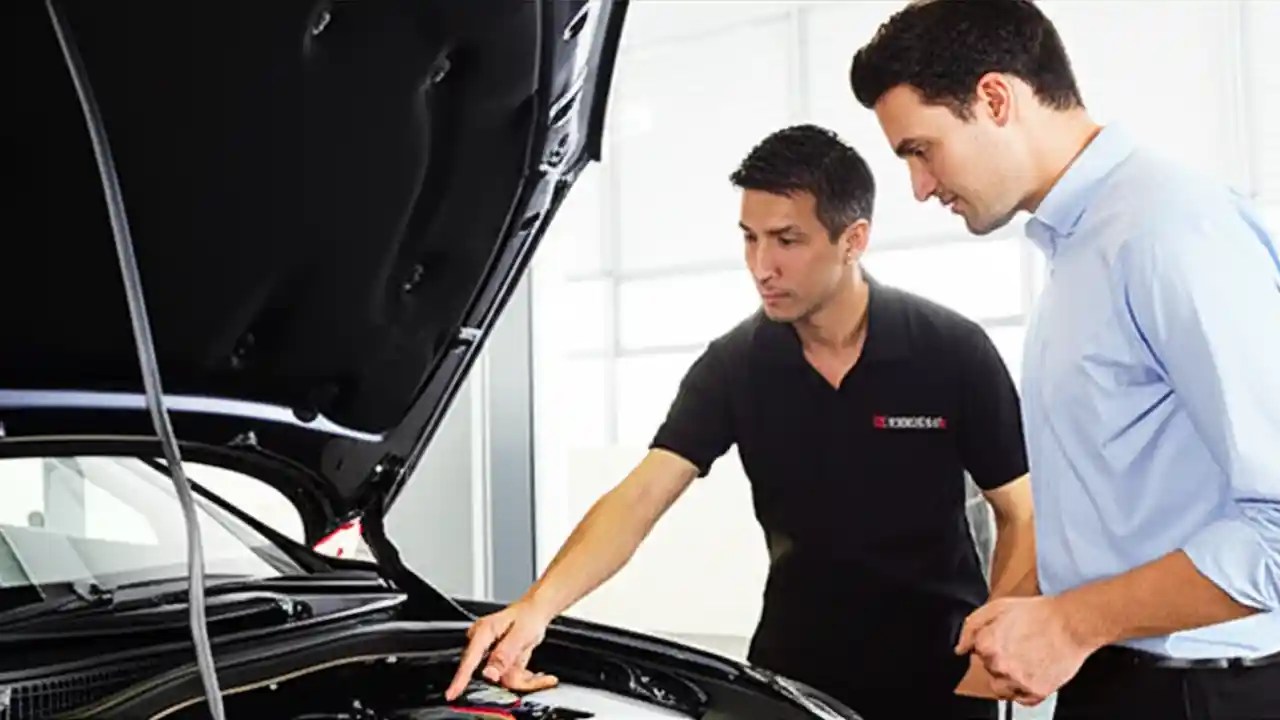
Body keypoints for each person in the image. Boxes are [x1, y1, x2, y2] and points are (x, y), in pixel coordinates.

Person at [444, 124, 1037, 720]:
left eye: (787, 240)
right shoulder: (735, 364)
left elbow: (1021, 513)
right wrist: (539, 606)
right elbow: (642, 495)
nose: (761, 266)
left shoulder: (952, 351)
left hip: (940, 680)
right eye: (749, 239)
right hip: (793, 681)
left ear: (853, 240)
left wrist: (987, 669)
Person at [849, 1, 1280, 718]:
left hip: (1206, 693)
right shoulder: (1077, 248)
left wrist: (1074, 621)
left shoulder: (1169, 230)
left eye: (920, 150)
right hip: (1116, 677)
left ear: (995, 99)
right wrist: (1038, 616)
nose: (920, 188)